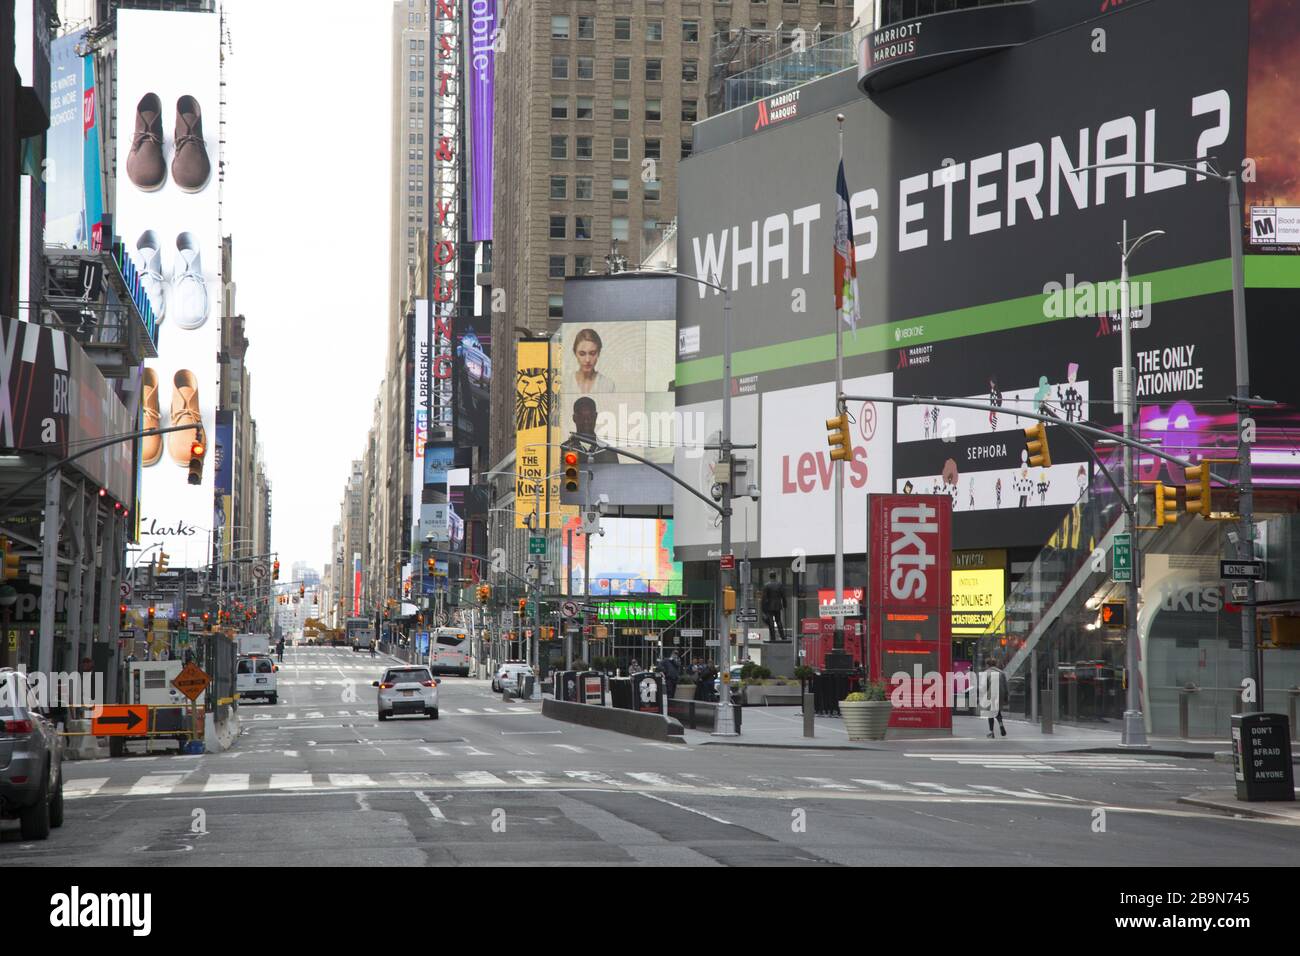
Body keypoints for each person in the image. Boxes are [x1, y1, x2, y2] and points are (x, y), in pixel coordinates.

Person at [562, 397, 620, 464]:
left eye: (589, 418)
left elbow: (614, 473)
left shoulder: (607, 449)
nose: (586, 421)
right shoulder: (568, 447)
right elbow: (569, 474)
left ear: (595, 416)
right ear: (574, 418)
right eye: (582, 418)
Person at [570, 328, 616, 394]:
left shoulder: (608, 385)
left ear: (599, 353)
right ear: (575, 353)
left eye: (592, 353)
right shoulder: (565, 383)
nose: (587, 360)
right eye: (582, 354)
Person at [981, 658, 1010, 738]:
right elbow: (1006, 686)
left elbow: (983, 687)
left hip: (991, 694)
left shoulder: (986, 673)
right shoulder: (1001, 672)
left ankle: (991, 732)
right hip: (1001, 694)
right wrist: (1006, 697)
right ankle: (1001, 725)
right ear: (995, 664)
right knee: (997, 711)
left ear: (987, 665)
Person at [761, 572, 787, 642]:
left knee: (771, 622)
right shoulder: (779, 585)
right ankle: (782, 636)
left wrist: (763, 608)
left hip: (769, 606)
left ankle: (773, 637)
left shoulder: (767, 585)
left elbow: (764, 598)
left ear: (770, 577)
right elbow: (783, 596)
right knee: (778, 621)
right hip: (778, 605)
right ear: (775, 576)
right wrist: (785, 604)